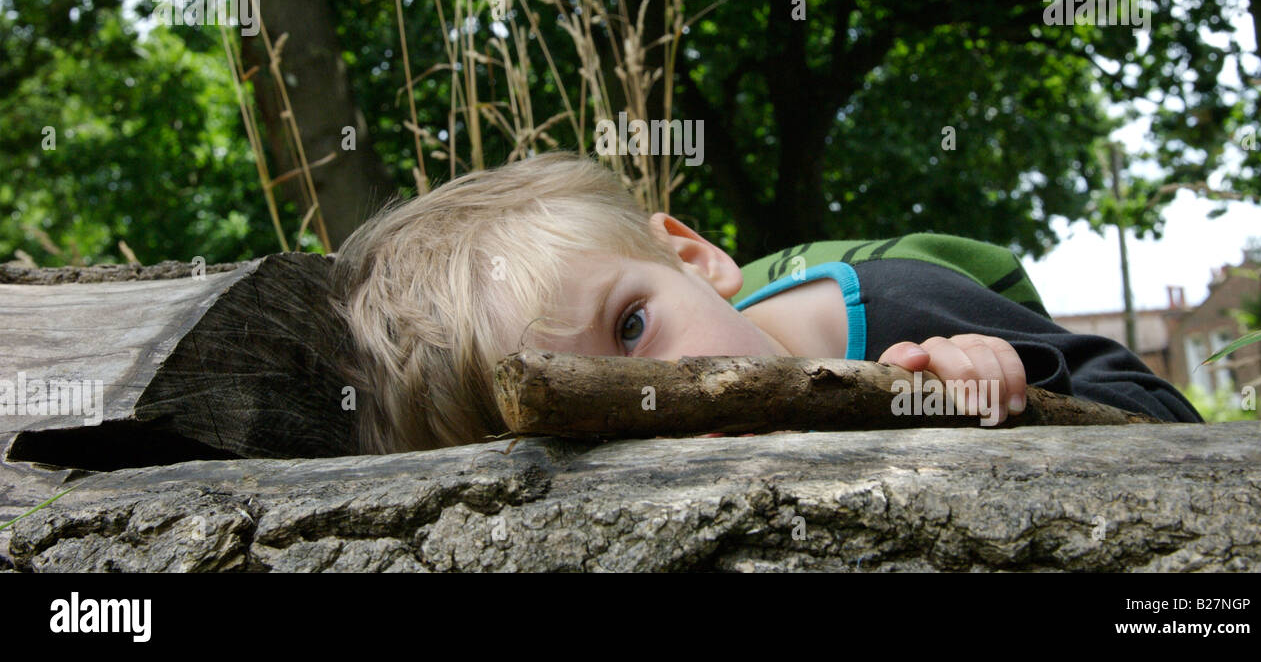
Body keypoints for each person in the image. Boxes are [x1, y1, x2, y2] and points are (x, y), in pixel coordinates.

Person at [329, 151, 1202, 453]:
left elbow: (1168, 425)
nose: (652, 399)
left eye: (633, 326)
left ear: (693, 257)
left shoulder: (908, 310)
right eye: (582, 420)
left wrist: (1005, 399)